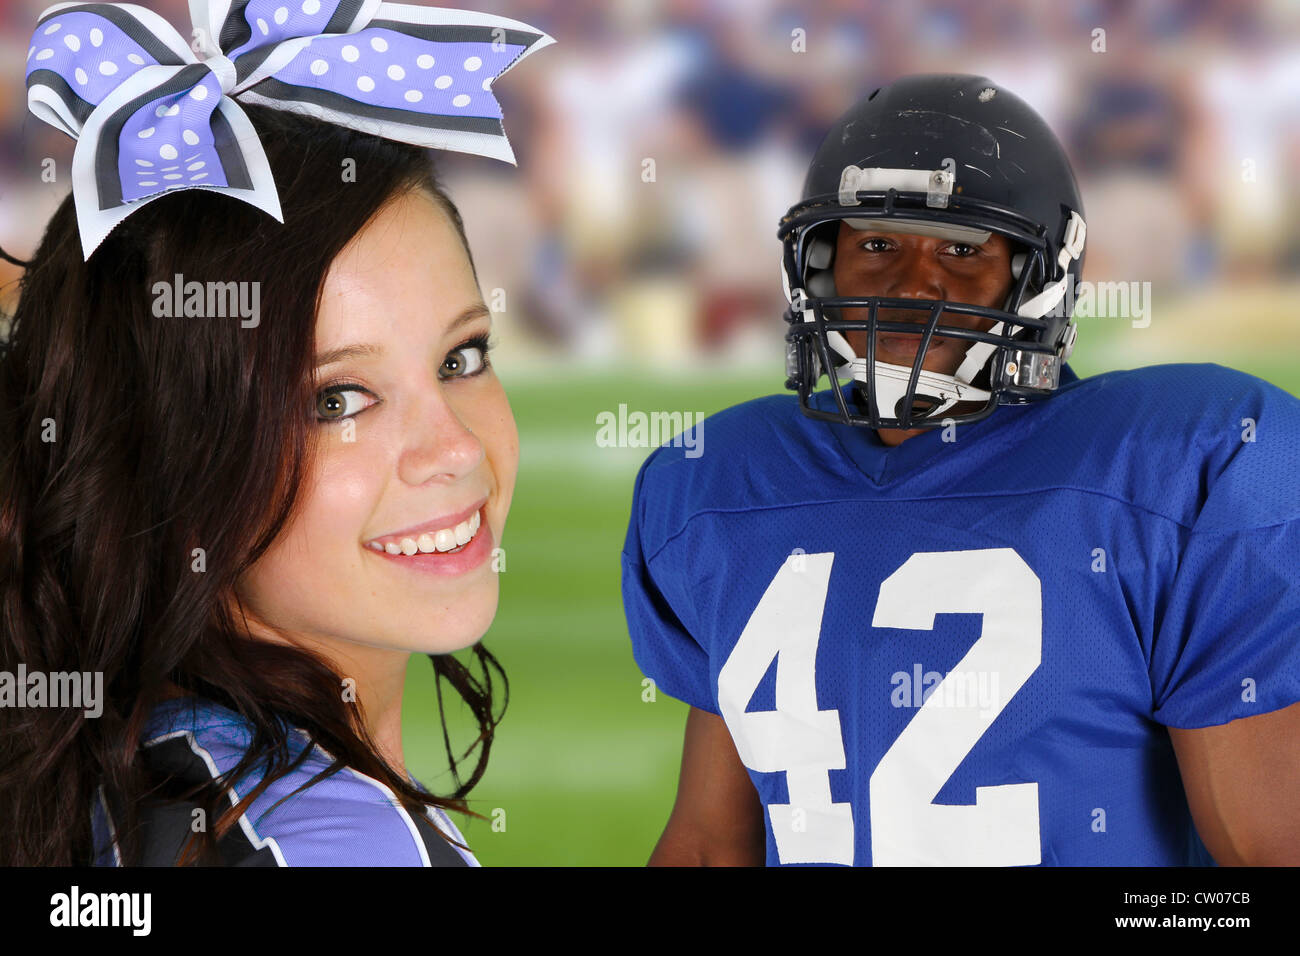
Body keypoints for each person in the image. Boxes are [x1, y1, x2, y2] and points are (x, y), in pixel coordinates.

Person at [622, 73, 1300, 866]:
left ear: (1039, 276)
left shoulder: (1184, 465)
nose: (913, 283)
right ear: (816, 267)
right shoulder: (720, 486)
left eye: (962, 248)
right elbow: (709, 842)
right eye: (876, 243)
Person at [0, 1, 550, 866]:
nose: (455, 449)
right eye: (336, 400)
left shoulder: (130, 771)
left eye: (461, 356)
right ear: (169, 456)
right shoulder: (341, 844)